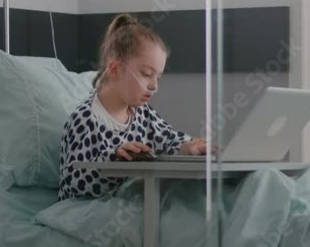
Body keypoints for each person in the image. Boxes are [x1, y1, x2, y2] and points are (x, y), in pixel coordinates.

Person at [58, 13, 212, 200]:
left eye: (158, 77)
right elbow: (74, 183)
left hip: (133, 202)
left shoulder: (144, 115)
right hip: (88, 208)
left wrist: (187, 147)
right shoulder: (84, 120)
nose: (155, 86)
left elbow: (169, 140)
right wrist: (113, 159)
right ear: (115, 69)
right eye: (147, 74)